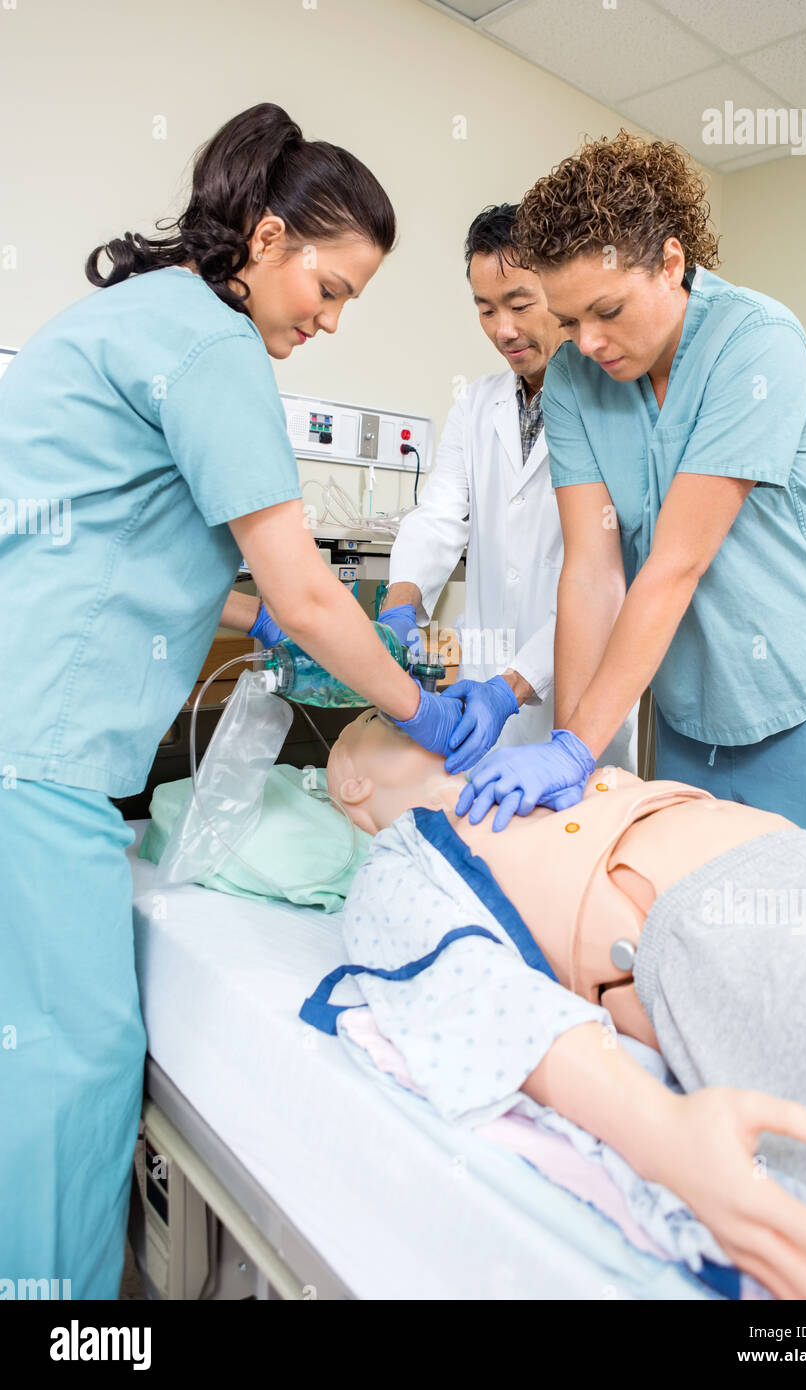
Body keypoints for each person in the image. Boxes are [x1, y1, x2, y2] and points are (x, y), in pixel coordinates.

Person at [0, 102, 462, 1297]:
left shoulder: (139, 318)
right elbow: (307, 590)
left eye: (354, 298)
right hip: (33, 743)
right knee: (80, 1057)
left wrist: (286, 633)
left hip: (31, 724)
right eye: (332, 283)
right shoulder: (211, 349)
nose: (330, 315)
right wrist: (414, 704)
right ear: (263, 240)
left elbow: (157, 562)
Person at [302, 707, 806, 1299]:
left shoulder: (549, 768)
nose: (418, 701)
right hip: (733, 939)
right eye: (378, 715)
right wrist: (662, 1134)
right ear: (352, 785)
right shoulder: (404, 855)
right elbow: (481, 997)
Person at [453, 133, 806, 854]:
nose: (588, 343)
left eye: (607, 311)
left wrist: (571, 749)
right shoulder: (572, 380)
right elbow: (593, 571)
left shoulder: (755, 344)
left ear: (670, 263)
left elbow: (673, 565)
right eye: (568, 321)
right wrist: (578, 755)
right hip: (694, 717)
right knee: (697, 925)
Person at [377, 204, 637, 774]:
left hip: (577, 697)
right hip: (483, 684)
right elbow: (441, 514)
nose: (504, 329)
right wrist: (402, 601)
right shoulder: (477, 403)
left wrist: (515, 685)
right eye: (486, 309)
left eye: (520, 304)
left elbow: (611, 578)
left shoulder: (616, 405)